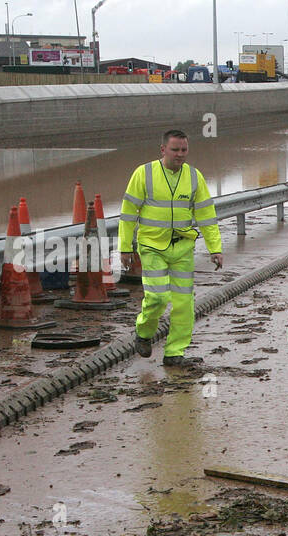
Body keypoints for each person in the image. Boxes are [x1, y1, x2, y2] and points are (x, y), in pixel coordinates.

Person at [119, 130, 223, 367]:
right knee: (157, 297)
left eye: (184, 150)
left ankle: (175, 353)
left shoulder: (194, 177)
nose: (180, 154)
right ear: (163, 150)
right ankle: (144, 333)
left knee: (184, 304)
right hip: (152, 246)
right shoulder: (143, 174)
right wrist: (125, 248)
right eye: (175, 150)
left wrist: (215, 248)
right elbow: (127, 214)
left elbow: (206, 216)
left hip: (183, 249)